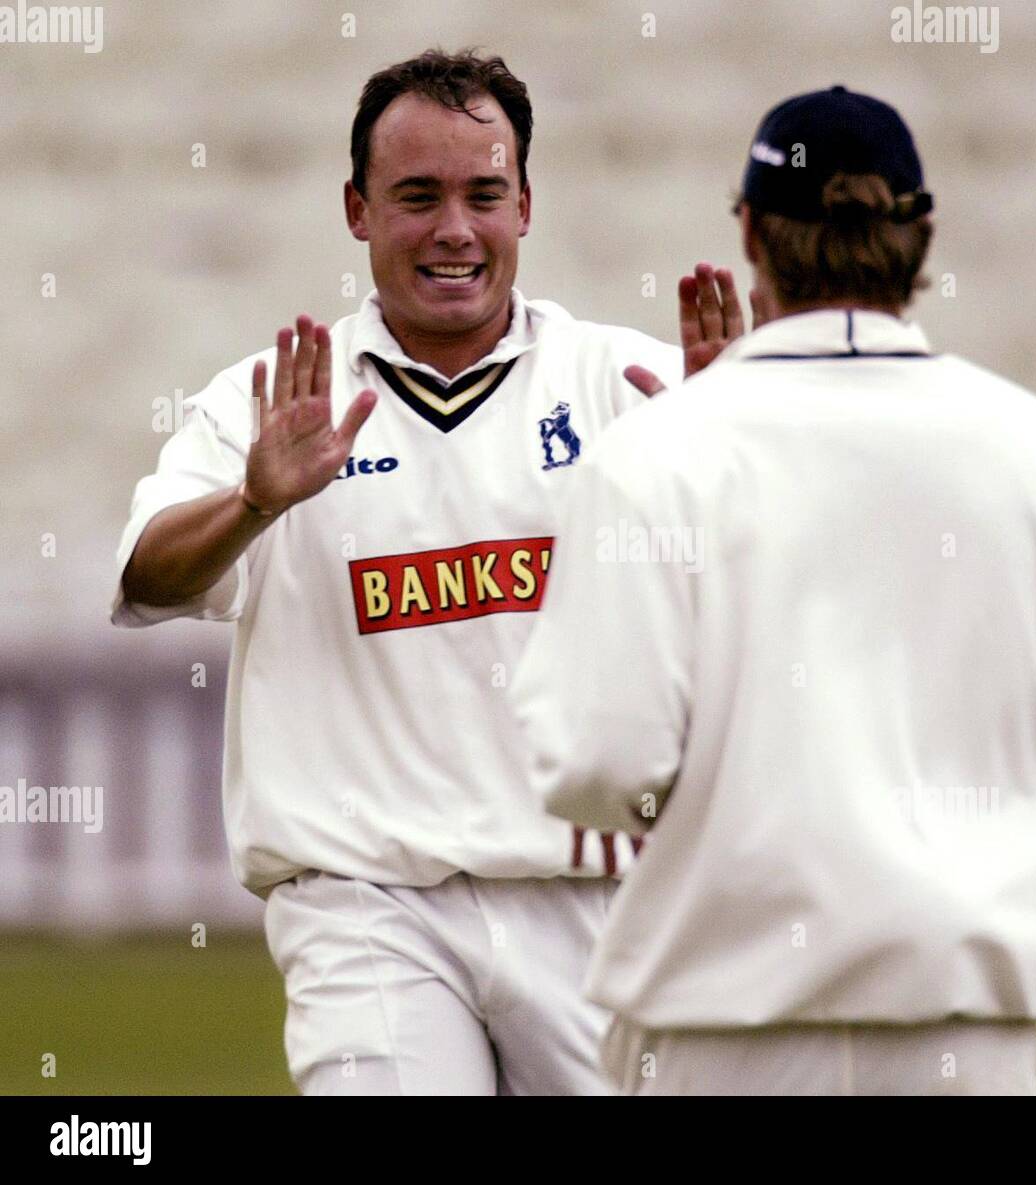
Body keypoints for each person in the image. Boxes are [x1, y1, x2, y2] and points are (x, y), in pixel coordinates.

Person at [509, 86, 1036, 1095]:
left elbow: (597, 761)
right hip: (966, 1039)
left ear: (750, 231)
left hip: (729, 1037)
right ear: (920, 234)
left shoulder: (657, 457)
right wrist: (995, 848)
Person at [111, 47, 738, 1095]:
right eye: (417, 197)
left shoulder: (631, 385)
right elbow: (149, 578)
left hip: (593, 899)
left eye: (482, 194)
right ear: (356, 210)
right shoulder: (272, 401)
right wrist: (255, 501)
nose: (454, 229)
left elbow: (775, 596)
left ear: (526, 205)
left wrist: (741, 467)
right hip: (365, 905)